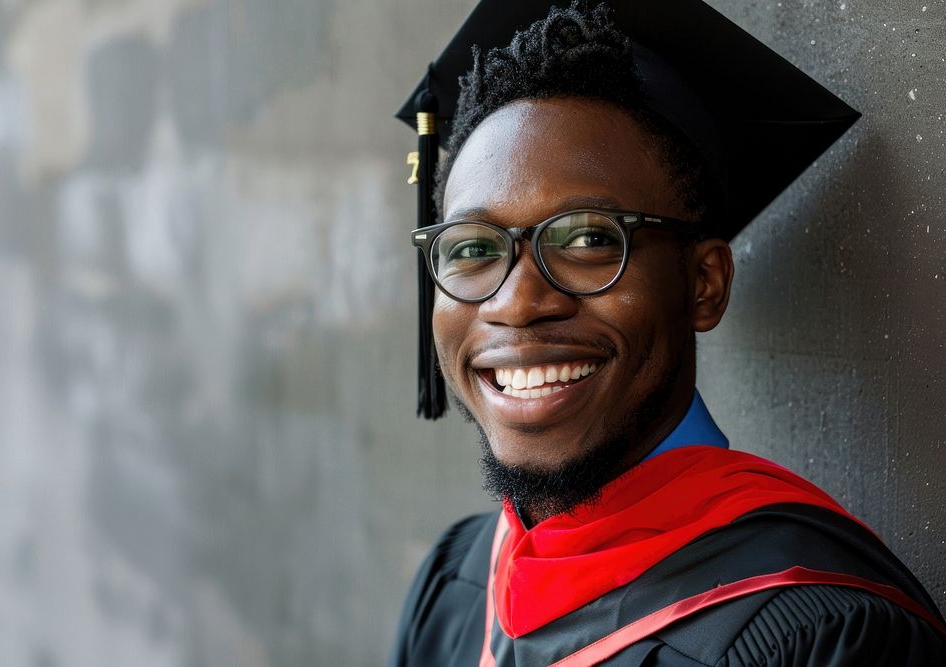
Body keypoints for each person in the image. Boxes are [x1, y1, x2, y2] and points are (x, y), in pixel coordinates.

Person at [390, 2, 946, 665]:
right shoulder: (457, 582)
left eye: (591, 238)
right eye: (472, 248)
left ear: (704, 283)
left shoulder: (822, 631)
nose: (518, 302)